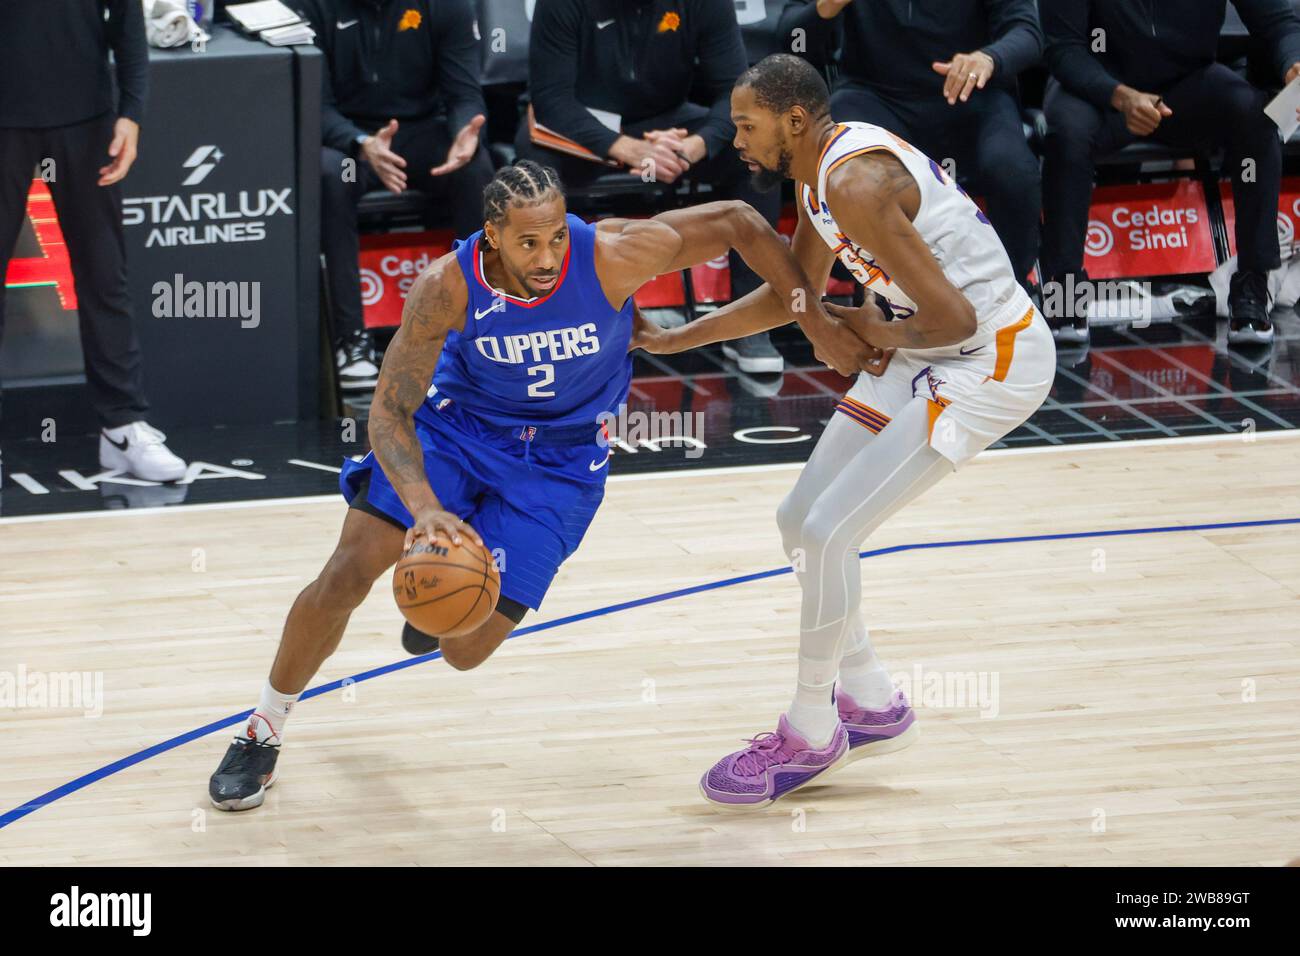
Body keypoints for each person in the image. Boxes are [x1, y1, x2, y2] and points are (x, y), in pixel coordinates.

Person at [207, 159, 881, 811]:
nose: (549, 254)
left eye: (557, 235)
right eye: (529, 241)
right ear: (492, 236)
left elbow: (738, 220)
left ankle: (434, 606)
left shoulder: (615, 254)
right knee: (348, 572)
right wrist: (423, 511)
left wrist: (809, 316)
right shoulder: (448, 284)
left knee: (462, 648)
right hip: (458, 434)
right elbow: (387, 411)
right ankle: (262, 729)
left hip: (559, 465)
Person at [633, 55, 1056, 809]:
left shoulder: (854, 182)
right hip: (918, 345)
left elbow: (955, 317)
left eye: (746, 124)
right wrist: (676, 340)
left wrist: (849, 323)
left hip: (990, 358)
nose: (737, 139)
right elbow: (796, 292)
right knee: (798, 520)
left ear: (795, 120)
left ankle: (810, 728)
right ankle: (870, 701)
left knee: (830, 532)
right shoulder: (815, 172)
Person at [516, 0, 787, 373]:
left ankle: (749, 326)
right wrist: (629, 150)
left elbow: (734, 90)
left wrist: (694, 147)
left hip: (669, 126)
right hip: (586, 124)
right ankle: (544, 326)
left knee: (758, 156)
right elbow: (551, 100)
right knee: (533, 172)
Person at [1039, 0, 1300, 345]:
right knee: (1067, 136)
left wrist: (1292, 63)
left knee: (1257, 121)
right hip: (1099, 87)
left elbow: (1278, 19)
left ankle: (1251, 286)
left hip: (1187, 84)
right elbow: (1063, 49)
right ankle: (1064, 292)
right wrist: (1120, 97)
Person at [0, 0, 186, 480]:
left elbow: (126, 23)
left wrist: (131, 111)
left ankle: (122, 427)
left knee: (104, 275)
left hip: (86, 117)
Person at [779, 0, 1044, 288]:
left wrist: (989, 58)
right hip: (877, 95)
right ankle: (872, 289)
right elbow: (792, 40)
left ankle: (1011, 285)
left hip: (972, 96)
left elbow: (1028, 33)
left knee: (1011, 168)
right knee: (838, 155)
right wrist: (825, 8)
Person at [301, 0, 496, 390]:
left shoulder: (448, 7)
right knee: (328, 175)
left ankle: (486, 325)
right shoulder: (311, 7)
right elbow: (312, 102)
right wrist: (360, 142)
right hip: (348, 141)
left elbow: (463, 95)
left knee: (474, 169)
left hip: (420, 131)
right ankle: (351, 341)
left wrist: (464, 133)